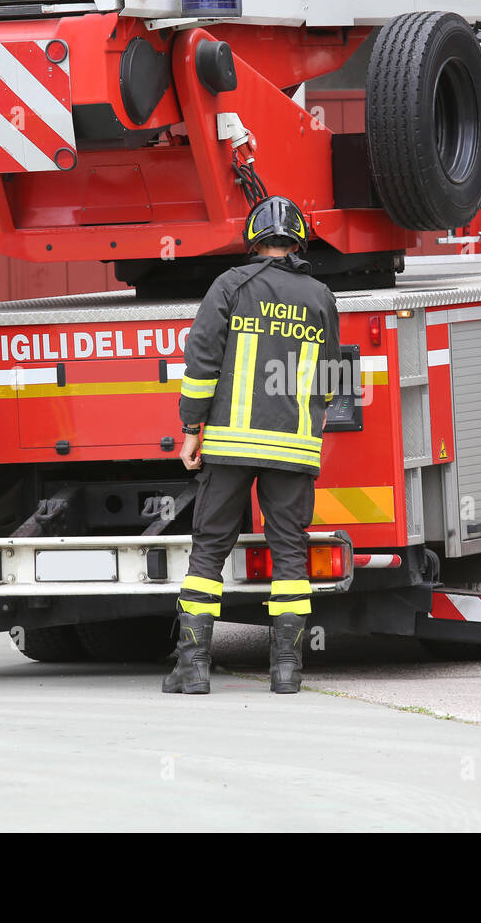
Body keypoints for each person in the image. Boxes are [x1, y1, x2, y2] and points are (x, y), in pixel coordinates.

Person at [164, 195, 340, 695]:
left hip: (229, 446)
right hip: (293, 449)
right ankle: (287, 671)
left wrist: (191, 429)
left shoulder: (228, 287)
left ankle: (193, 668)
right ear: (298, 240)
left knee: (208, 554)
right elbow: (332, 374)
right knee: (289, 556)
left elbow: (201, 362)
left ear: (253, 239)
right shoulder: (320, 295)